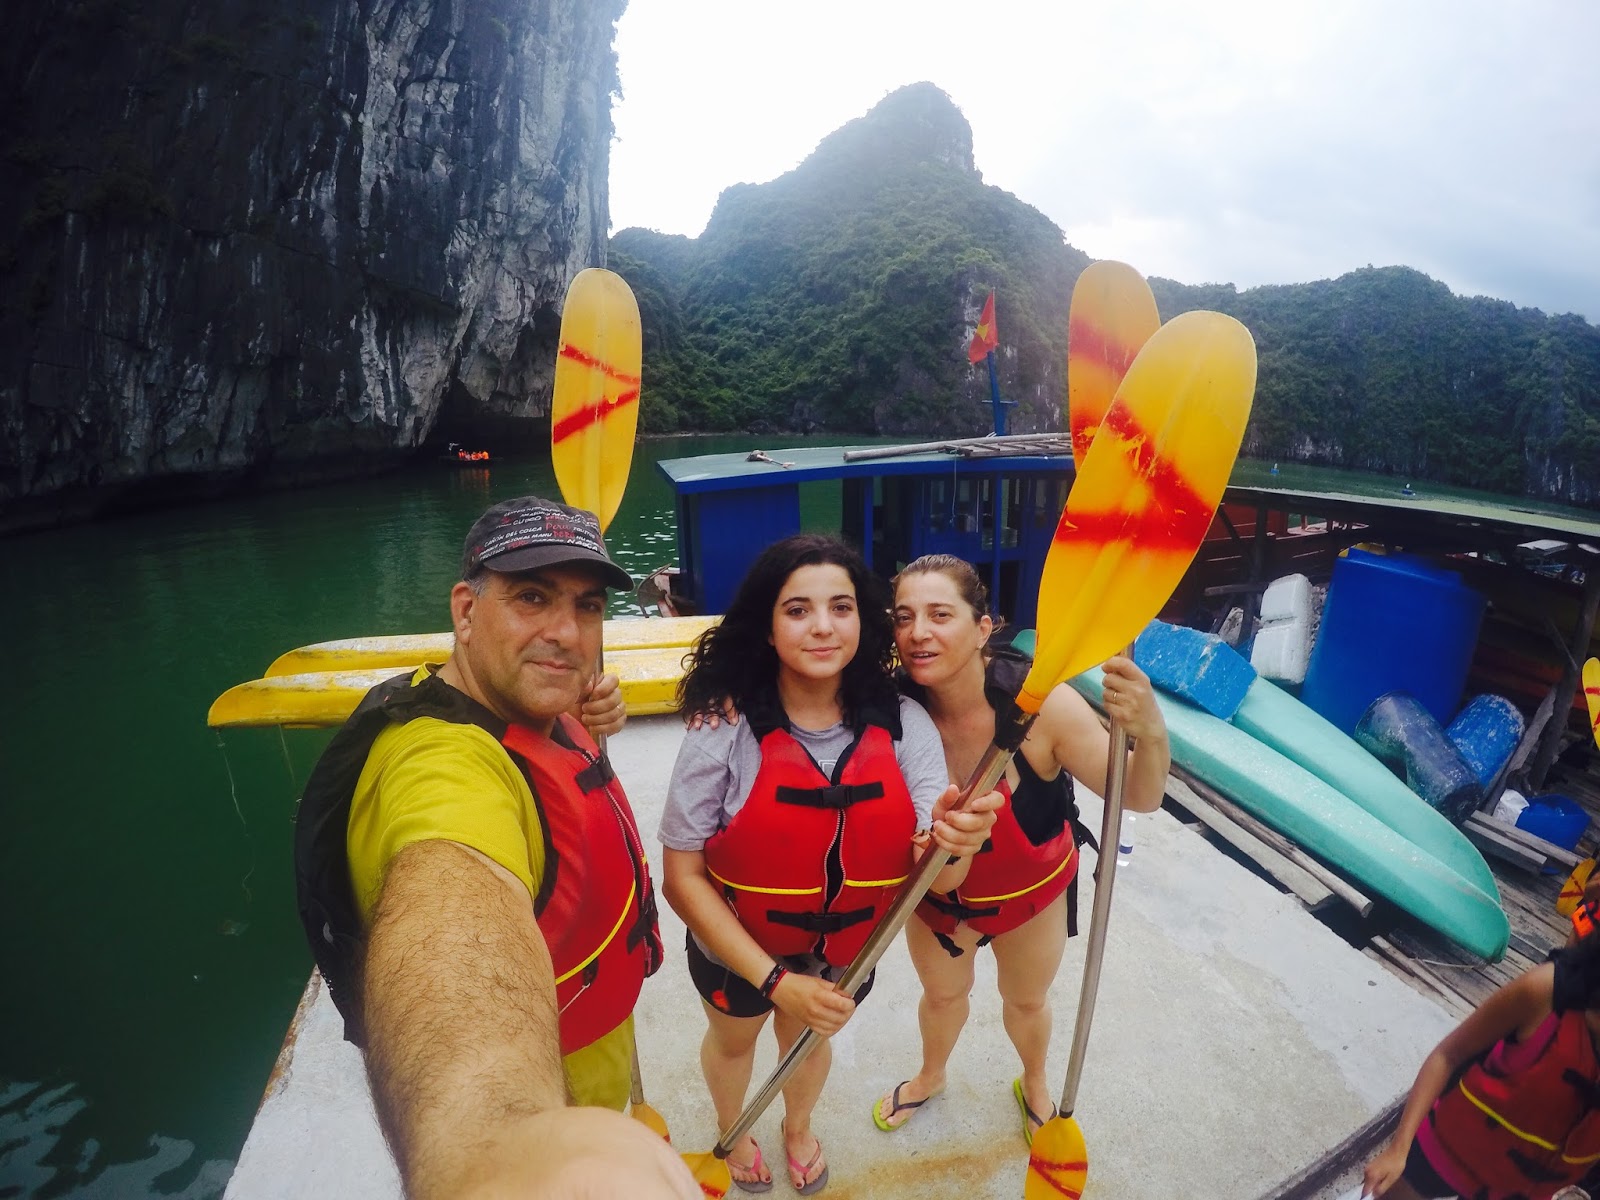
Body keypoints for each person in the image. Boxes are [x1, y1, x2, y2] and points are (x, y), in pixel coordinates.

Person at [294, 495, 696, 1199]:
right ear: (465, 610)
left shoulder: (524, 698)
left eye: (588, 606)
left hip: (598, 1033)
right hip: (556, 1102)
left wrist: (584, 705)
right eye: (531, 598)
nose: (566, 632)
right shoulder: (441, 765)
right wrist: (498, 1155)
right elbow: (453, 928)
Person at [658, 534, 1003, 1194]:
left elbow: (943, 879)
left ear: (863, 620)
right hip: (737, 947)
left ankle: (798, 1127)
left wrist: (952, 845)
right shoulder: (723, 724)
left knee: (808, 1043)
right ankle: (734, 1128)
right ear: (767, 626)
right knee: (734, 1042)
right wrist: (774, 980)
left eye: (841, 608)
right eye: (798, 610)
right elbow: (682, 876)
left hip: (845, 949)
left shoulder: (905, 723)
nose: (822, 626)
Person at [870, 554, 1170, 1146]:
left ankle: (1034, 1081)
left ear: (983, 627)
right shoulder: (887, 711)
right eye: (904, 617)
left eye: (940, 615)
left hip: (1031, 893)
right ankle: (932, 1074)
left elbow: (1138, 793)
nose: (918, 632)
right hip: (938, 895)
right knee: (942, 996)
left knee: (1026, 1002)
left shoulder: (1042, 705)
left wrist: (1151, 728)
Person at [1362, 933, 1600, 1200]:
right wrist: (1398, 1149)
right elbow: (1448, 1055)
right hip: (1446, 1149)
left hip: (1518, 1190)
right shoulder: (1545, 992)